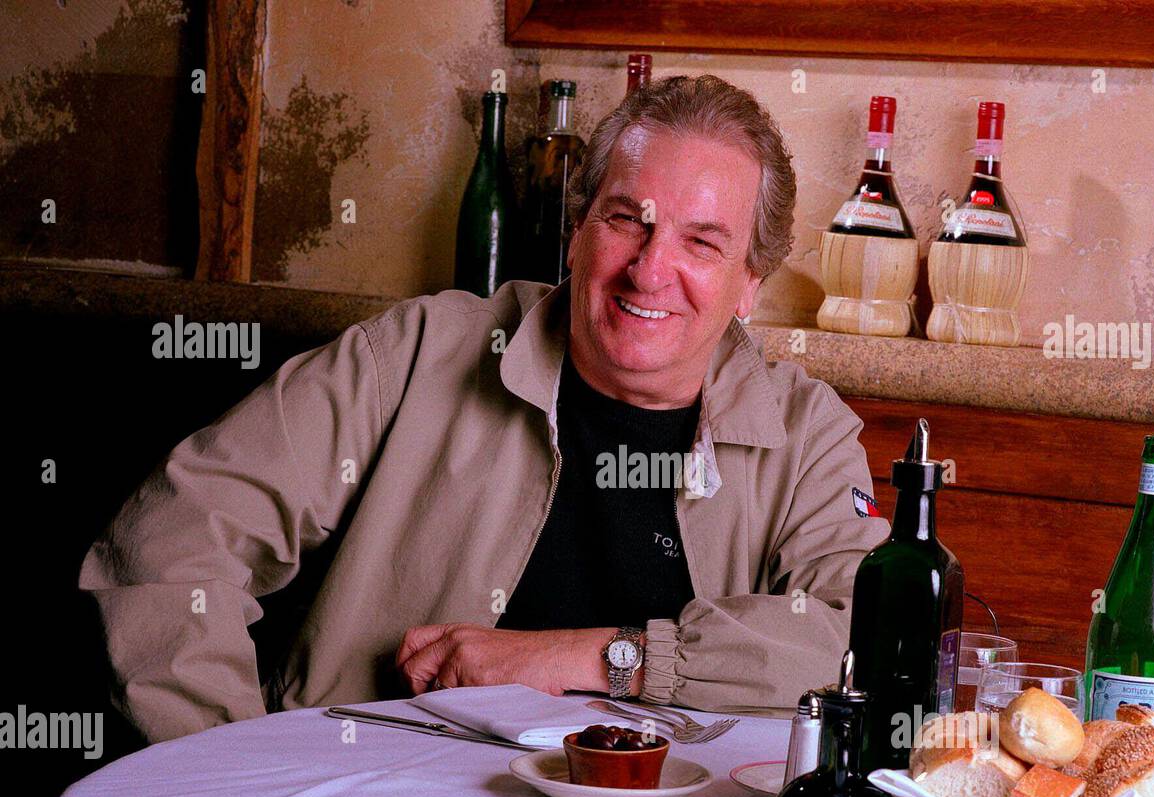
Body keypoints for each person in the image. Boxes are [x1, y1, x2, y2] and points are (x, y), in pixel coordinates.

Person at [79, 74, 890, 743]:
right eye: (624, 219)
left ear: (751, 283)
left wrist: (603, 657)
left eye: (702, 244)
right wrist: (228, 775)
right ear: (576, 231)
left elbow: (869, 644)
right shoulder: (416, 354)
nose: (650, 269)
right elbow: (170, 543)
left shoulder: (806, 434)